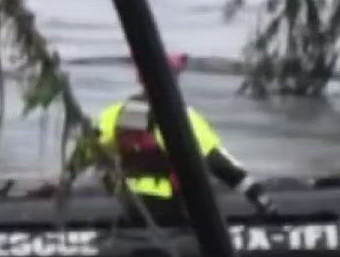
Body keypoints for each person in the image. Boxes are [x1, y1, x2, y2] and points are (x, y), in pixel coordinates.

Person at [93, 51, 277, 215]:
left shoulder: (114, 113)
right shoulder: (180, 117)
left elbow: (87, 151)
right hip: (169, 205)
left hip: (130, 203)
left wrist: (67, 182)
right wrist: (258, 196)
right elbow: (219, 162)